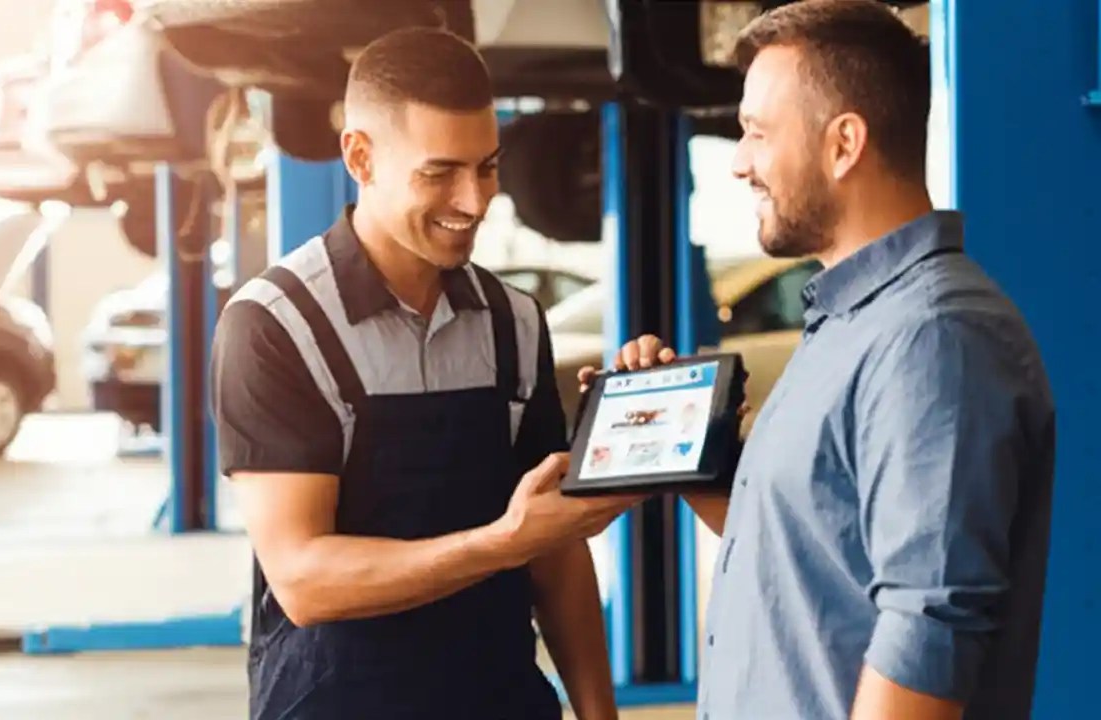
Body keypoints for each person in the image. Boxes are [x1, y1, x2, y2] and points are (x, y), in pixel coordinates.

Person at [584, 2, 1056, 719]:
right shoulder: (848, 321)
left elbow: (927, 626)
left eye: (757, 133)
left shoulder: (934, 336)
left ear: (844, 144)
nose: (739, 162)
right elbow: (814, 548)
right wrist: (672, 441)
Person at [209, 26, 641, 720]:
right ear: (360, 157)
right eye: (439, 172)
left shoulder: (514, 322)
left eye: (488, 166)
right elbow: (303, 579)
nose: (473, 201)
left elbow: (553, 556)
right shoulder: (276, 325)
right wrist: (501, 543)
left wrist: (600, 714)